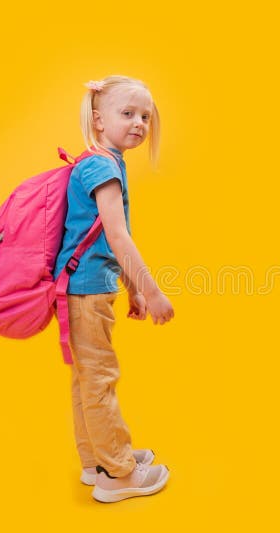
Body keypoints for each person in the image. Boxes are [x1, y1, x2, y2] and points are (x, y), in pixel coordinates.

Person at [53, 75, 175, 503]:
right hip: (86, 294)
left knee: (88, 381)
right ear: (98, 119)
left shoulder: (103, 161)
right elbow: (118, 236)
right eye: (128, 113)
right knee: (100, 380)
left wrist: (131, 290)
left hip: (83, 289)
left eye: (145, 115)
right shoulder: (103, 166)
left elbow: (97, 238)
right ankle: (118, 473)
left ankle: (96, 461)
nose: (139, 122)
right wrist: (153, 290)